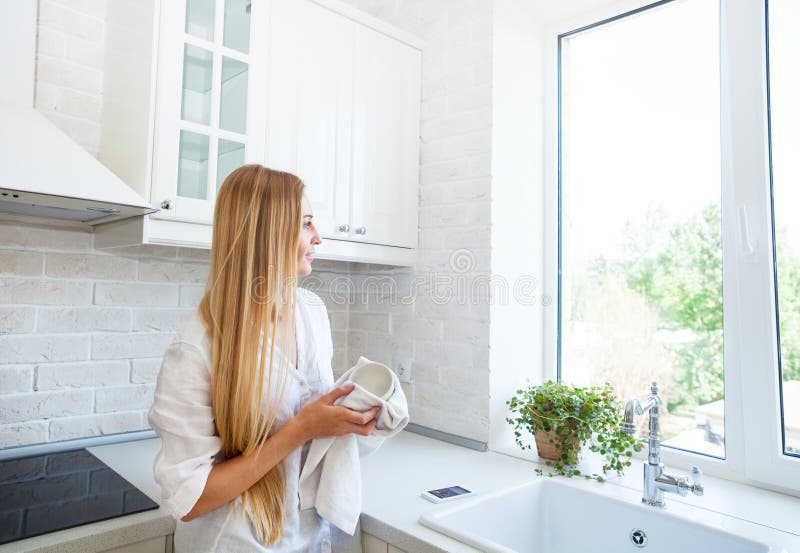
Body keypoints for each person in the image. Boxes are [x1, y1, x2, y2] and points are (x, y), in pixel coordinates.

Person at [147, 165, 380, 552]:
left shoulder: (312, 312)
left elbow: (312, 434)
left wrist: (352, 417)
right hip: (236, 542)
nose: (318, 237)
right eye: (306, 224)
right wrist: (300, 429)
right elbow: (189, 499)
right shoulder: (196, 349)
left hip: (311, 536)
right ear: (269, 233)